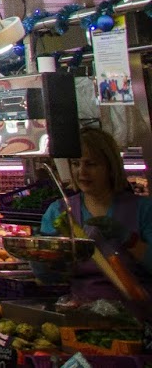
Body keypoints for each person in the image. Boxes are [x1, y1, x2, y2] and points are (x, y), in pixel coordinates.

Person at [41, 127, 152, 300]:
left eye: (91, 164)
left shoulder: (144, 209)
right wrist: (42, 259)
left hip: (138, 310)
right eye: (76, 164)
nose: (82, 172)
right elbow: (49, 278)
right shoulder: (58, 211)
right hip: (82, 311)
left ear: (110, 167)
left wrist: (129, 239)